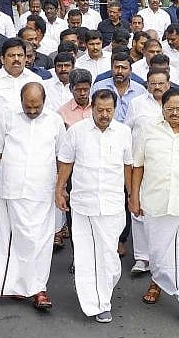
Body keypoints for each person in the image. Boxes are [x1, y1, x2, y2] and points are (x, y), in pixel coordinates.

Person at [0, 82, 65, 310]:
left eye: (36, 107)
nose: (31, 111)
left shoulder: (55, 121)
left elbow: (62, 158)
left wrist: (61, 187)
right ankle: (19, 286)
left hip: (43, 191)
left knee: (40, 240)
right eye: (27, 106)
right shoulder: (7, 117)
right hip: (11, 189)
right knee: (17, 240)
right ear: (20, 101)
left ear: (44, 101)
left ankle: (39, 288)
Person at [130, 88, 179, 320]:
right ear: (162, 108)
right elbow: (138, 166)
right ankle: (157, 280)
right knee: (158, 249)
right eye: (170, 109)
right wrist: (134, 196)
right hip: (155, 199)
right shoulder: (147, 129)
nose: (175, 113)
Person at [55, 89, 132, 324]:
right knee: (87, 255)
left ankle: (103, 291)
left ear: (115, 109)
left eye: (109, 110)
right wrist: (60, 189)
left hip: (113, 204)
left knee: (109, 255)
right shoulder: (77, 132)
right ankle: (97, 303)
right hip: (83, 204)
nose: (105, 115)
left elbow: (128, 166)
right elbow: (66, 162)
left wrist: (133, 196)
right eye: (100, 110)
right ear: (92, 108)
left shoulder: (124, 132)